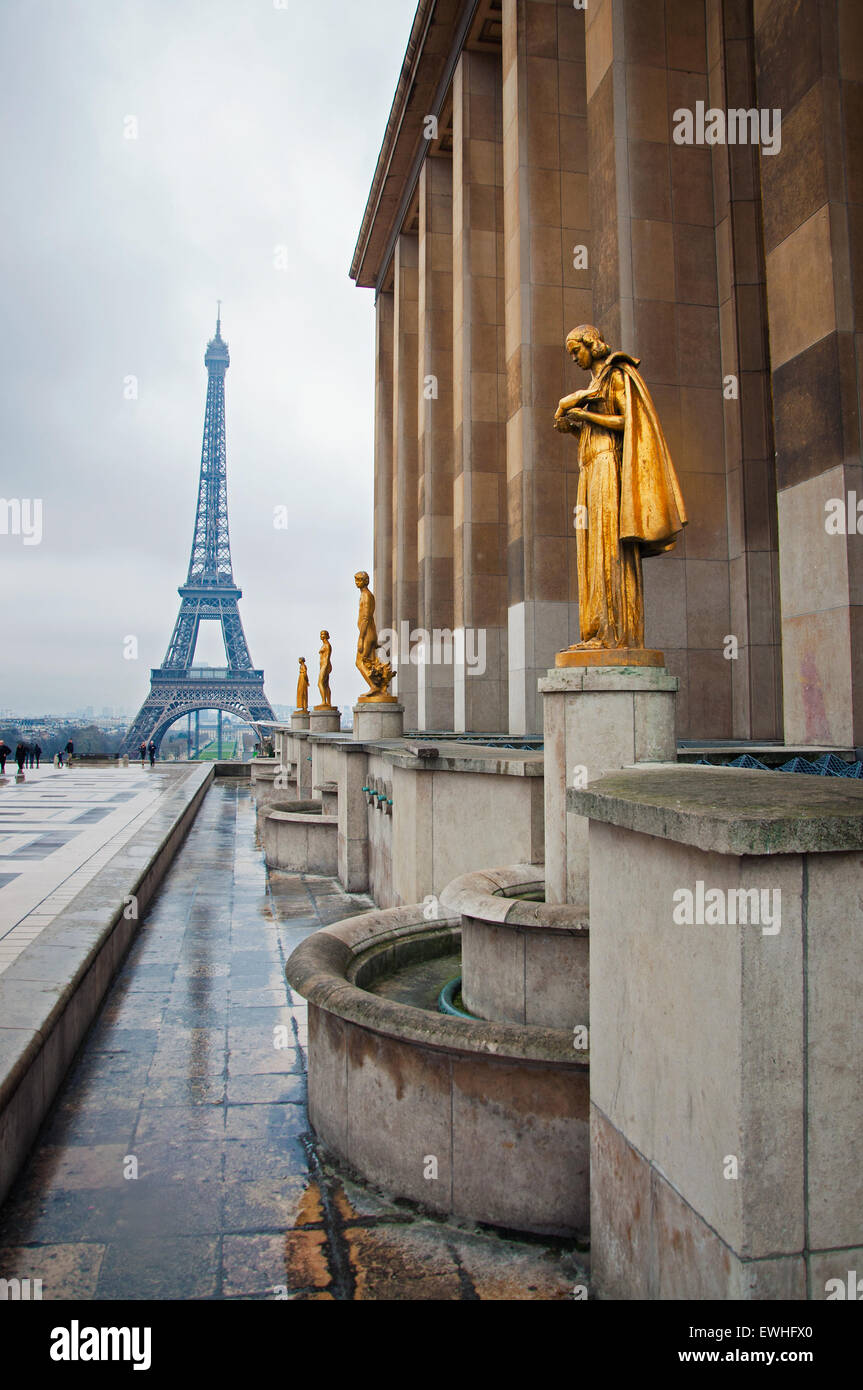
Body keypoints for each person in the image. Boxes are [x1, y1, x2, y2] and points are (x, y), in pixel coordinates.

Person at [554, 324, 686, 651]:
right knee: (591, 550)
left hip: (607, 467)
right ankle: (595, 632)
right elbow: (591, 432)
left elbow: (628, 421)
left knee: (607, 547)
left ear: (591, 345)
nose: (574, 358)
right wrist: (573, 421)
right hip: (589, 470)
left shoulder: (615, 375)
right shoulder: (592, 385)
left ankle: (615, 634)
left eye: (576, 350)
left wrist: (587, 416)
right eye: (570, 353)